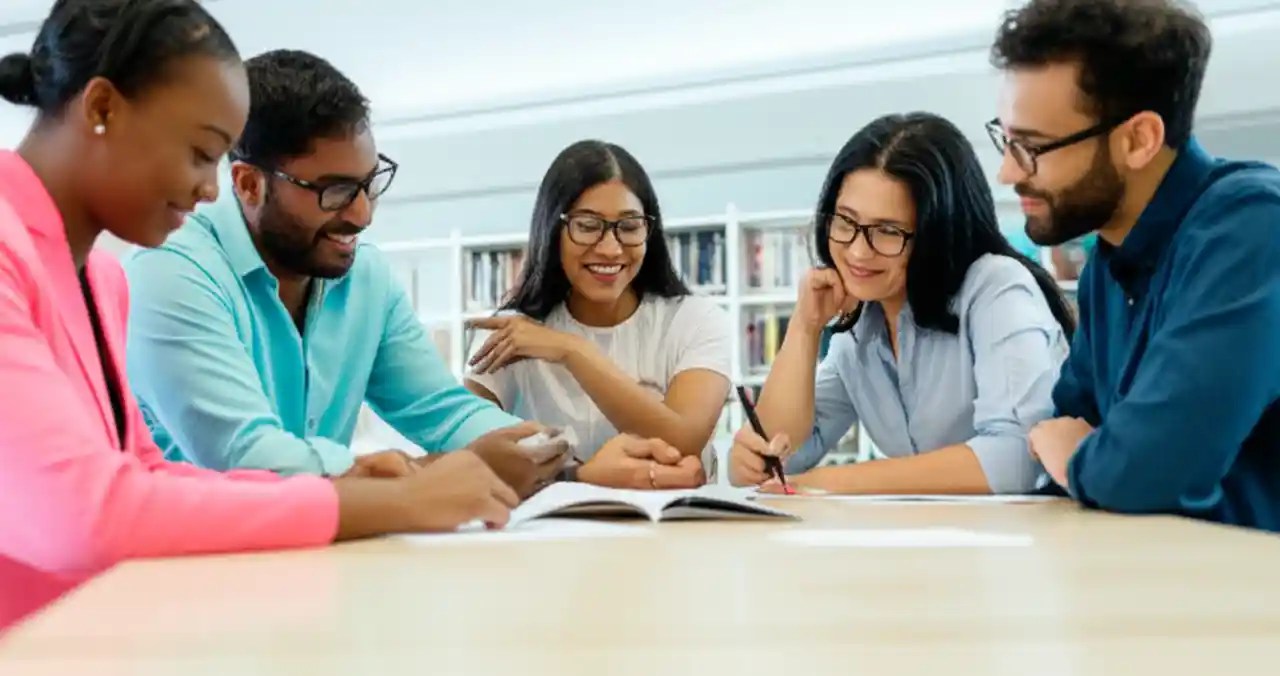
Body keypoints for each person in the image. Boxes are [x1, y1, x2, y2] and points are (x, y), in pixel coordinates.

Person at [0, 0, 517, 629]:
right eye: (199, 153)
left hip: (97, 646)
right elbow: (82, 518)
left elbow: (147, 473)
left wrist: (344, 479)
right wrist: (393, 504)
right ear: (103, 107)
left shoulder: (102, 278)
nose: (210, 189)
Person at [123, 49, 565, 498]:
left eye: (369, 184)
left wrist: (551, 451)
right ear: (249, 184)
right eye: (335, 191)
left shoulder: (365, 276)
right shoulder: (170, 271)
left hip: (324, 547)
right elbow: (248, 460)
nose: (362, 214)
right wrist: (435, 472)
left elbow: (443, 409)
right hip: (187, 560)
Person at [989, 0, 1280, 529]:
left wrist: (1087, 457)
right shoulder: (1107, 262)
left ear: (1138, 140)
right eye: (1007, 140)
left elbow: (1143, 471)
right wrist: (1091, 456)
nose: (1008, 172)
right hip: (1167, 587)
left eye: (1031, 147)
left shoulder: (1255, 228)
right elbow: (1061, 432)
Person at [728, 112, 1075, 495]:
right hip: (934, 542)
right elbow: (783, 456)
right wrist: (804, 327)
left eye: (888, 232)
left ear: (937, 233)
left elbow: (1015, 459)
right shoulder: (862, 325)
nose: (858, 251)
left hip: (1035, 542)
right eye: (845, 222)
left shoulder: (995, 288)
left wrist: (829, 483)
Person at [464, 140, 730, 489]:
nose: (610, 248)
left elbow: (682, 441)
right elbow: (466, 455)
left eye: (630, 226)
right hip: (549, 534)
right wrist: (579, 476)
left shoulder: (697, 318)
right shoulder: (511, 332)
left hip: (673, 534)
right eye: (587, 226)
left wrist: (573, 351)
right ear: (552, 229)